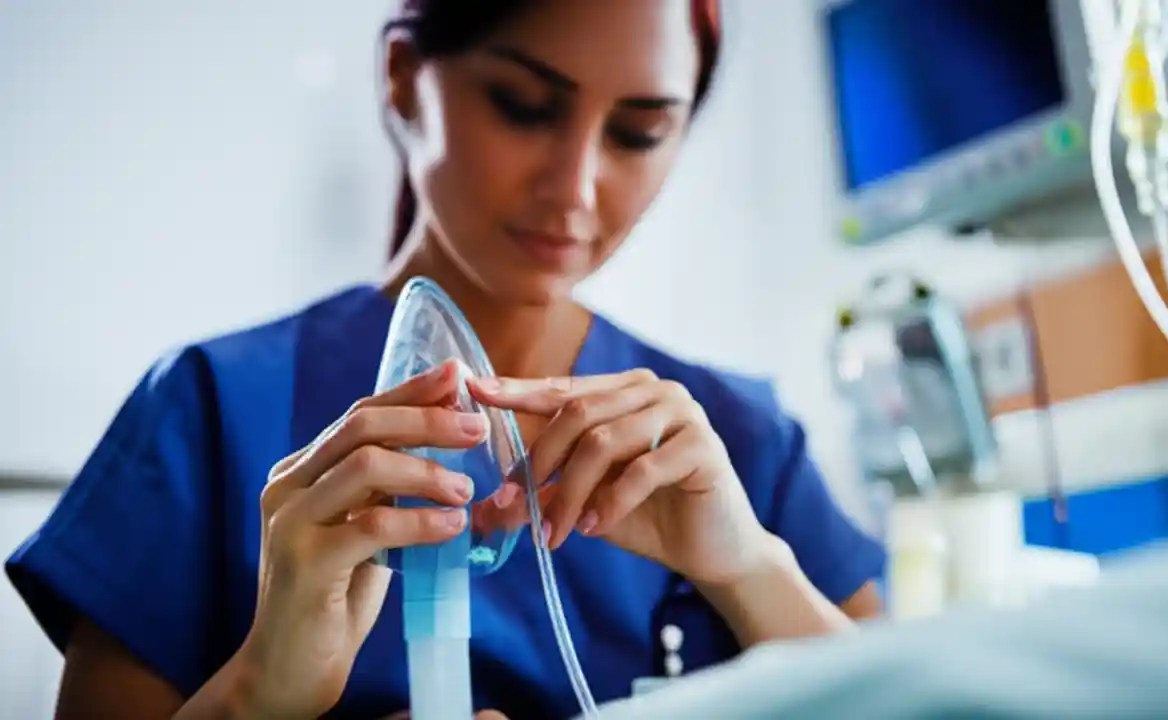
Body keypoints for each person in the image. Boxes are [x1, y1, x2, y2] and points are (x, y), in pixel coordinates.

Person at [5, 1, 885, 718]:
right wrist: (253, 698)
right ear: (402, 80)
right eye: (522, 105)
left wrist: (752, 574)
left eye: (637, 134)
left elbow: (932, 696)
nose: (575, 190)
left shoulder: (737, 445)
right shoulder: (207, 411)